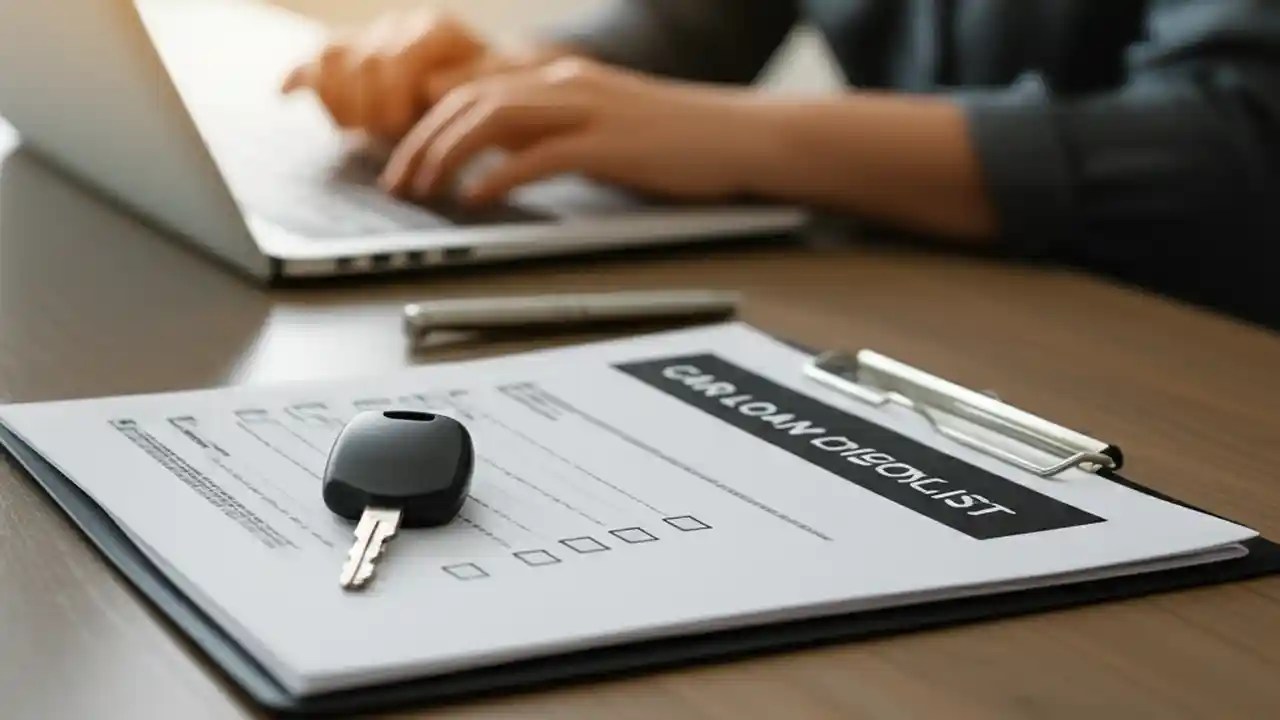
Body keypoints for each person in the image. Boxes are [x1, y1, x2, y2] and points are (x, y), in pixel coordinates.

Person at [283, 1, 1280, 327]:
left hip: (1194, 372)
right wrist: (509, 78)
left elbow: (1229, 147)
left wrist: (745, 137)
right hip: (936, 318)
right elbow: (690, 26)